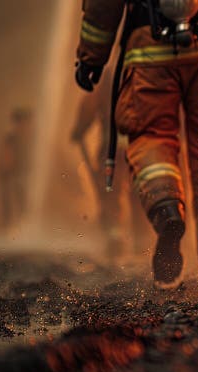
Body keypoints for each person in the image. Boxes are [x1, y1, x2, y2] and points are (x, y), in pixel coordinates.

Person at [74, 0, 198, 288]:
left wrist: (91, 57)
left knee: (151, 138)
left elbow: (103, 5)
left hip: (149, 50)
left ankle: (167, 210)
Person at [70, 70, 151, 260]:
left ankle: (116, 241)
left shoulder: (105, 80)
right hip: (140, 149)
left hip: (112, 150)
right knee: (140, 193)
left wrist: (79, 129)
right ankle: (140, 243)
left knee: (110, 194)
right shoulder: (144, 76)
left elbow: (89, 106)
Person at [0, 108, 33, 229]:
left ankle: (24, 224)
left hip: (25, 177)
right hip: (14, 177)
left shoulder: (33, 139)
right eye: (23, 122)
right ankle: (12, 227)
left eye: (27, 122)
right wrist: (8, 172)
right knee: (13, 204)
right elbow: (6, 159)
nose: (26, 126)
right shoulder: (11, 139)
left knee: (24, 203)